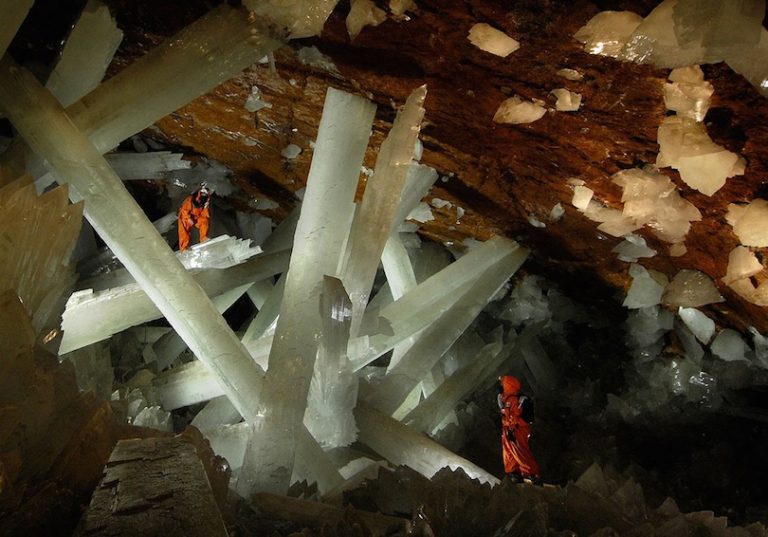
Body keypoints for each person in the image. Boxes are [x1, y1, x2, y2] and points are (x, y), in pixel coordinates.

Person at [498, 375, 541, 484]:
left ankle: (532, 475)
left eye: (502, 384)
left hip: (517, 430)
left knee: (520, 452)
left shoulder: (513, 400)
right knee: (509, 453)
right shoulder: (507, 399)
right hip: (510, 430)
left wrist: (507, 422)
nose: (500, 386)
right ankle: (514, 473)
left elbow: (513, 417)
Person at [178, 183, 212, 251]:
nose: (204, 194)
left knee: (204, 222)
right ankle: (183, 248)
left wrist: (206, 209)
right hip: (186, 216)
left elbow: (205, 214)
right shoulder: (190, 199)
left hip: (197, 216)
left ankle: (204, 239)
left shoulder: (206, 201)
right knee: (184, 231)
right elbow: (184, 209)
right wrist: (188, 218)